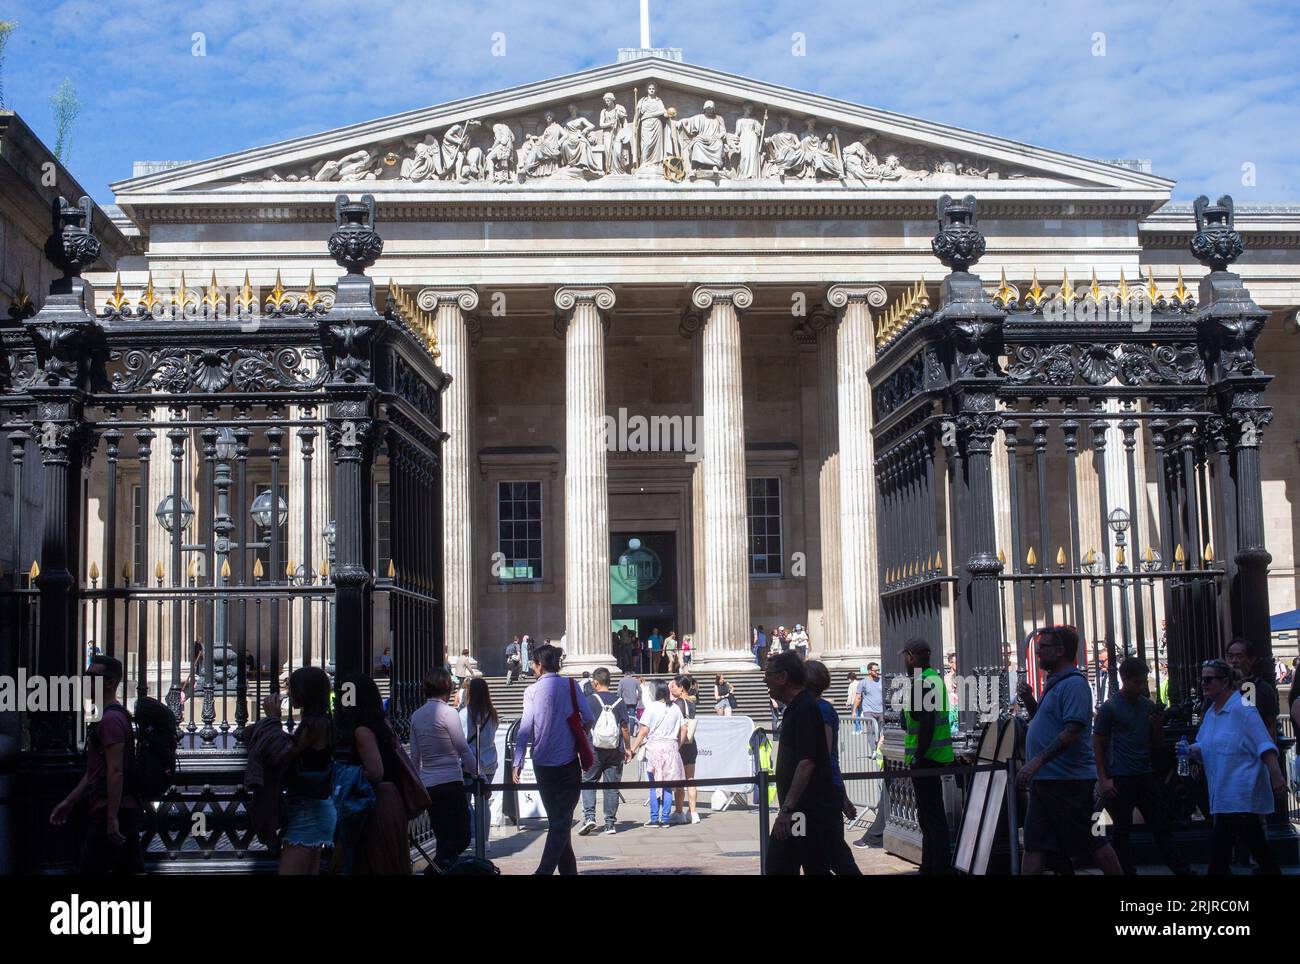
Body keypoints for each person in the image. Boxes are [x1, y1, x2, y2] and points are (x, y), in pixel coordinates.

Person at [1015, 626, 1123, 875]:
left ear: (1061, 651)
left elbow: (1072, 731)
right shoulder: (1054, 683)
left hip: (1067, 781)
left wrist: (1035, 762)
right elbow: (1048, 724)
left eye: (1043, 647)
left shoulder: (1074, 685)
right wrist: (1031, 700)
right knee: (1034, 843)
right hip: (1046, 780)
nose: (1038, 652)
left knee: (1092, 840)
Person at [1093, 658, 1193, 875]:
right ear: (1125, 679)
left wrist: (1156, 724)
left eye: (1143, 681)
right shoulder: (1111, 708)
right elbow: (1098, 741)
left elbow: (1155, 743)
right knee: (1122, 829)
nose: (1142, 686)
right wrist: (1103, 777)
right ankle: (1126, 870)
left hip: (1142, 772)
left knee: (1159, 825)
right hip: (1122, 775)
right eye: (1138, 682)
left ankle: (1180, 869)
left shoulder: (1146, 705)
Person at [1190, 658, 1286, 875]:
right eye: (1201, 679)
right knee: (1256, 848)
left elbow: (1263, 743)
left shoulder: (1243, 708)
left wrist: (1277, 777)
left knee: (1221, 850)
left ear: (1224, 682)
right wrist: (1190, 750)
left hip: (1241, 792)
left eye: (1208, 679)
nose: (1203, 683)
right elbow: (1205, 744)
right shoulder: (1212, 713)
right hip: (1224, 792)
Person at [51, 655, 143, 875]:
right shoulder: (111, 717)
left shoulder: (110, 720)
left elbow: (115, 770)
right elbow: (96, 770)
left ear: (110, 682)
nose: (86, 681)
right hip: (116, 808)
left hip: (111, 810)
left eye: (92, 677)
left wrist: (111, 818)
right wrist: (70, 801)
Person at [512, 644, 597, 874]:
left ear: (540, 665)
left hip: (542, 763)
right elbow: (588, 717)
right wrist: (579, 734)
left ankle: (544, 871)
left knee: (558, 822)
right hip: (568, 761)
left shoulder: (531, 692)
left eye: (533, 663)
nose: (531, 666)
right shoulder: (571, 685)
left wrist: (518, 760)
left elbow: (525, 728)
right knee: (560, 823)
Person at [763, 652, 842, 874]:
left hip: (802, 812)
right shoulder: (798, 707)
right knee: (805, 863)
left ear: (782, 677)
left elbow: (807, 761)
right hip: (802, 811)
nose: (764, 680)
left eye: (768, 674)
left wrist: (786, 810)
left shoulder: (806, 709)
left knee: (783, 865)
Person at [333, 673, 410, 875]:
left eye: (346, 696)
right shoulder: (383, 724)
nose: (342, 703)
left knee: (371, 863)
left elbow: (375, 771)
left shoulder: (362, 731)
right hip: (390, 800)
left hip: (374, 804)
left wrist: (345, 775)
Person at [409, 667, 474, 871]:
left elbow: (415, 755)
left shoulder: (416, 716)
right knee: (462, 836)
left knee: (442, 836)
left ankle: (440, 868)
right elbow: (462, 748)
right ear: (447, 687)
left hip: (429, 783)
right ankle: (432, 869)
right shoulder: (448, 713)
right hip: (450, 781)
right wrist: (478, 773)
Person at [899, 639, 954, 875]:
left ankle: (937, 865)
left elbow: (927, 724)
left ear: (912, 656)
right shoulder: (933, 678)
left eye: (906, 657)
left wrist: (919, 757)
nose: (905, 661)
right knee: (929, 813)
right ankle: (930, 863)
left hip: (926, 758)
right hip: (934, 756)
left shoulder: (923, 683)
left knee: (931, 816)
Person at [804, 660, 862, 874]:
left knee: (835, 852)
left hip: (822, 792)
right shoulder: (815, 708)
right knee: (814, 854)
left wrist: (840, 796)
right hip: (824, 790)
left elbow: (824, 756)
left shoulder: (821, 709)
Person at [278, 666, 336, 875]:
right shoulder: (323, 721)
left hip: (307, 810)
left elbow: (283, 756)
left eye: (291, 688)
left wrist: (273, 719)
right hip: (316, 806)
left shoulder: (313, 726)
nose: (288, 693)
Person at [580, 667, 631, 836]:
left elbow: (583, 725)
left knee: (588, 782)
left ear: (595, 682)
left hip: (593, 748)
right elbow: (624, 728)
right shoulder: (619, 701)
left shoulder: (589, 700)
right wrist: (628, 748)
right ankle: (609, 824)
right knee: (611, 786)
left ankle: (589, 817)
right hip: (614, 749)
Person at [627, 680, 684, 828]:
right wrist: (678, 744)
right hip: (671, 748)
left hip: (655, 749)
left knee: (654, 785)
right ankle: (665, 818)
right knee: (667, 785)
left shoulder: (651, 708)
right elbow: (683, 729)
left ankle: (654, 818)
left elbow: (643, 731)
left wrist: (633, 749)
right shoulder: (675, 708)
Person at [459, 676, 500, 846]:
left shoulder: (464, 713)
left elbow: (460, 738)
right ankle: (484, 839)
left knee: (467, 801)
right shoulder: (492, 713)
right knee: (484, 801)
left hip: (470, 763)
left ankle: (472, 837)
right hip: (489, 761)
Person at [670, 674, 701, 824]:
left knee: (679, 781)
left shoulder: (677, 704)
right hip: (691, 743)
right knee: (690, 779)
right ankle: (693, 812)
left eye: (674, 686)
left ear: (681, 688)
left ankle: (678, 811)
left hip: (680, 743)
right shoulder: (692, 702)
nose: (671, 688)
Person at [855, 663, 883, 744]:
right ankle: (874, 750)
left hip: (880, 710)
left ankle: (878, 749)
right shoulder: (863, 682)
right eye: (875, 670)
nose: (877, 672)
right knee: (871, 731)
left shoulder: (881, 681)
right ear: (869, 671)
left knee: (881, 732)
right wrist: (854, 711)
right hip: (869, 710)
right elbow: (858, 697)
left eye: (878, 670)